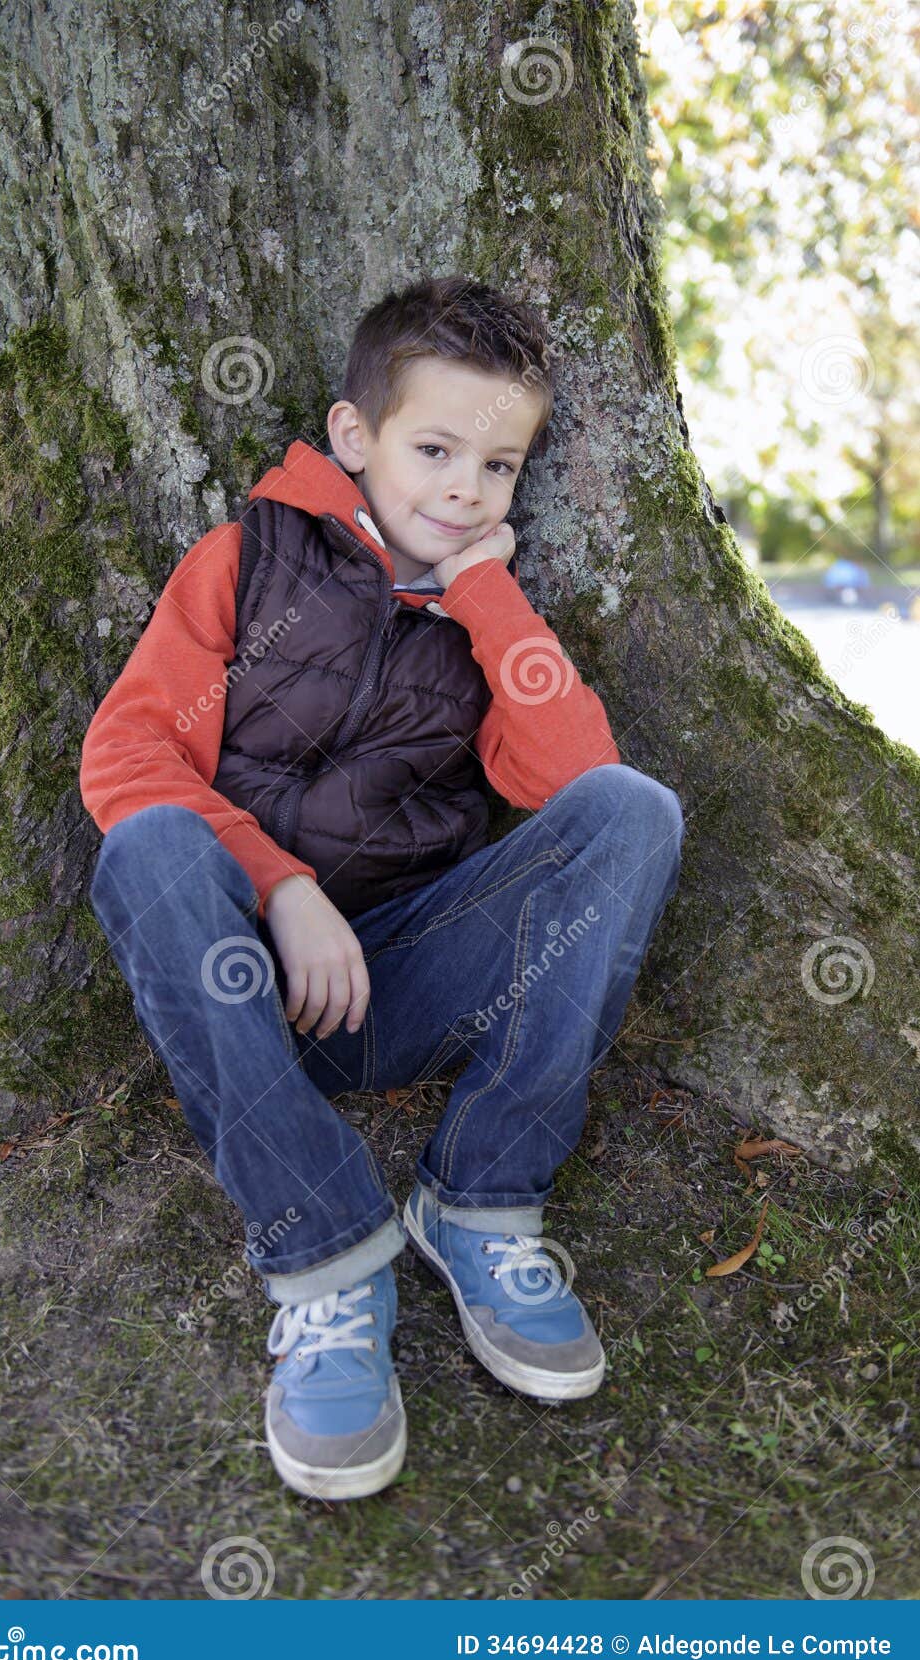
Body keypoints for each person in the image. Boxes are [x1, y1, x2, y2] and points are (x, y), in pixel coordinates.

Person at [79, 275, 685, 1503]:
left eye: (501, 466)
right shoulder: (246, 559)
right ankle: (328, 1263)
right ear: (355, 438)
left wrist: (484, 590)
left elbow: (577, 778)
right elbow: (126, 757)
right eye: (436, 448)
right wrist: (282, 885)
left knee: (637, 814)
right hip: (238, 982)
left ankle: (481, 1203)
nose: (466, 487)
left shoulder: (482, 616)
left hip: (398, 984)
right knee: (145, 849)